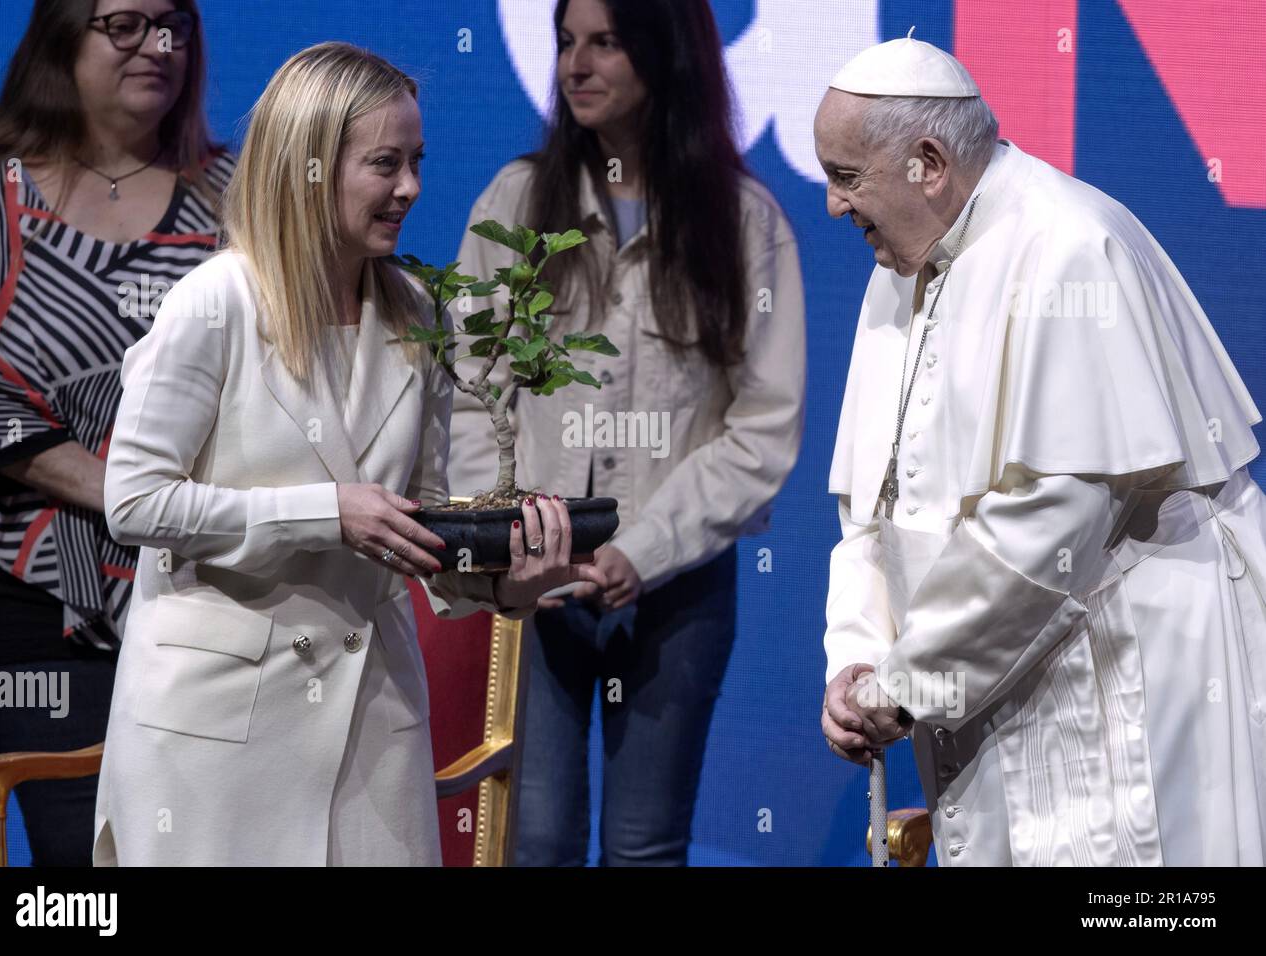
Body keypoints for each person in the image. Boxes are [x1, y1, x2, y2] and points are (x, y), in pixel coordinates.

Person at [91, 42, 604, 867]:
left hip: (373, 728)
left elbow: (422, 525)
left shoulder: (414, 311)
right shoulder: (214, 305)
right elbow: (138, 502)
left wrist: (510, 583)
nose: (411, 188)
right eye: (385, 164)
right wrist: (327, 514)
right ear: (307, 169)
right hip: (216, 734)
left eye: (417, 162)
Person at [816, 33, 1266, 865]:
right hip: (972, 687)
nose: (835, 208)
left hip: (1123, 671)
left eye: (847, 178)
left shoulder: (1069, 245)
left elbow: (1053, 519)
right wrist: (856, 662)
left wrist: (907, 684)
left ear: (927, 161)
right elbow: (869, 511)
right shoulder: (898, 273)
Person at [448, 0, 806, 865]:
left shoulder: (744, 223)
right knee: (533, 842)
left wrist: (639, 551)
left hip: (675, 590)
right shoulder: (514, 203)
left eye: (605, 43)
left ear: (665, 53)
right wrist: (503, 541)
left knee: (644, 847)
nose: (577, 65)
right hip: (530, 587)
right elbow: (469, 395)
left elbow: (763, 428)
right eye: (566, 43)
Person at [0, 0, 230, 866]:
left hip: (210, 584)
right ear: (61, 38)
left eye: (176, 24)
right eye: (126, 24)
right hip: (36, 588)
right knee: (84, 855)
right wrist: (128, 495)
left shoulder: (236, 203)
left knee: (206, 840)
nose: (158, 45)